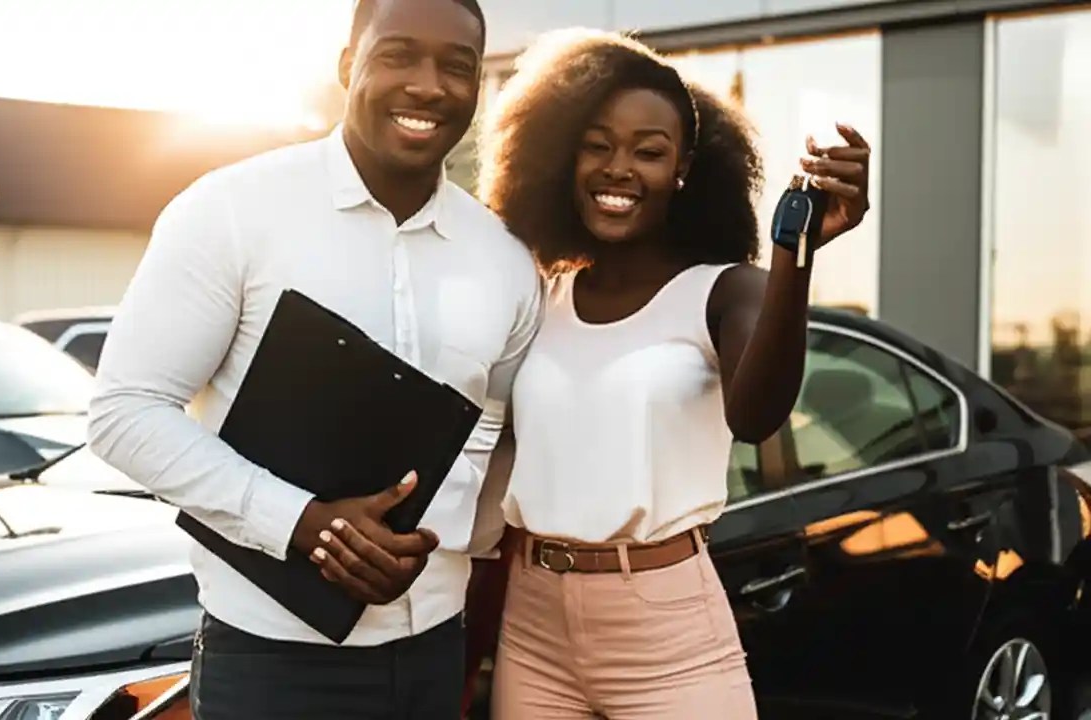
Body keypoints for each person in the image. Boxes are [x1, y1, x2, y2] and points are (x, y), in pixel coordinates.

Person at [86, 1, 542, 718]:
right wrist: (303, 523)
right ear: (346, 65)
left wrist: (447, 543)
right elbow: (123, 413)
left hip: (434, 657)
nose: (428, 85)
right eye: (398, 55)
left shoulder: (507, 261)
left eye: (457, 67)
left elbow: (496, 431)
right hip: (269, 663)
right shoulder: (231, 210)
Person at [463, 28, 873, 719]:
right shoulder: (537, 294)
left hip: (666, 627)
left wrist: (796, 255)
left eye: (649, 152)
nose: (619, 168)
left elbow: (756, 416)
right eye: (598, 145)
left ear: (684, 168)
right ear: (562, 156)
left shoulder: (726, 291)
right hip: (534, 623)